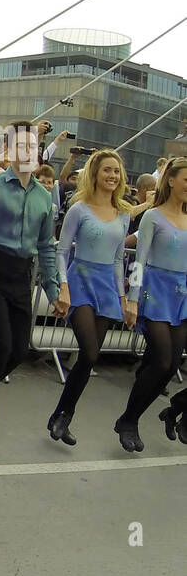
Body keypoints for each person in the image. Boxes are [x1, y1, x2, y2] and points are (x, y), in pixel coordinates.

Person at [0, 121, 62, 440]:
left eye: (33, 147)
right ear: (10, 151)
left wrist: (54, 290)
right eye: (21, 146)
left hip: (23, 275)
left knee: (18, 351)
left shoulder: (45, 198)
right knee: (1, 346)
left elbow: (46, 247)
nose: (28, 152)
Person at [46, 149, 134, 445]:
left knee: (88, 358)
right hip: (80, 280)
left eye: (117, 171)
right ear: (95, 173)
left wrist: (123, 297)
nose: (112, 176)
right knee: (91, 351)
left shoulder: (123, 213)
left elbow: (119, 258)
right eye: (107, 170)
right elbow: (62, 250)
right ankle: (64, 414)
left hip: (108, 286)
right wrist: (64, 286)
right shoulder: (79, 208)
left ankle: (62, 414)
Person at [116, 157, 187, 451]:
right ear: (171, 180)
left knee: (171, 365)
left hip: (182, 294)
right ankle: (129, 420)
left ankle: (162, 413)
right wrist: (132, 298)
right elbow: (140, 261)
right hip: (155, 291)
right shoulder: (153, 216)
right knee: (160, 360)